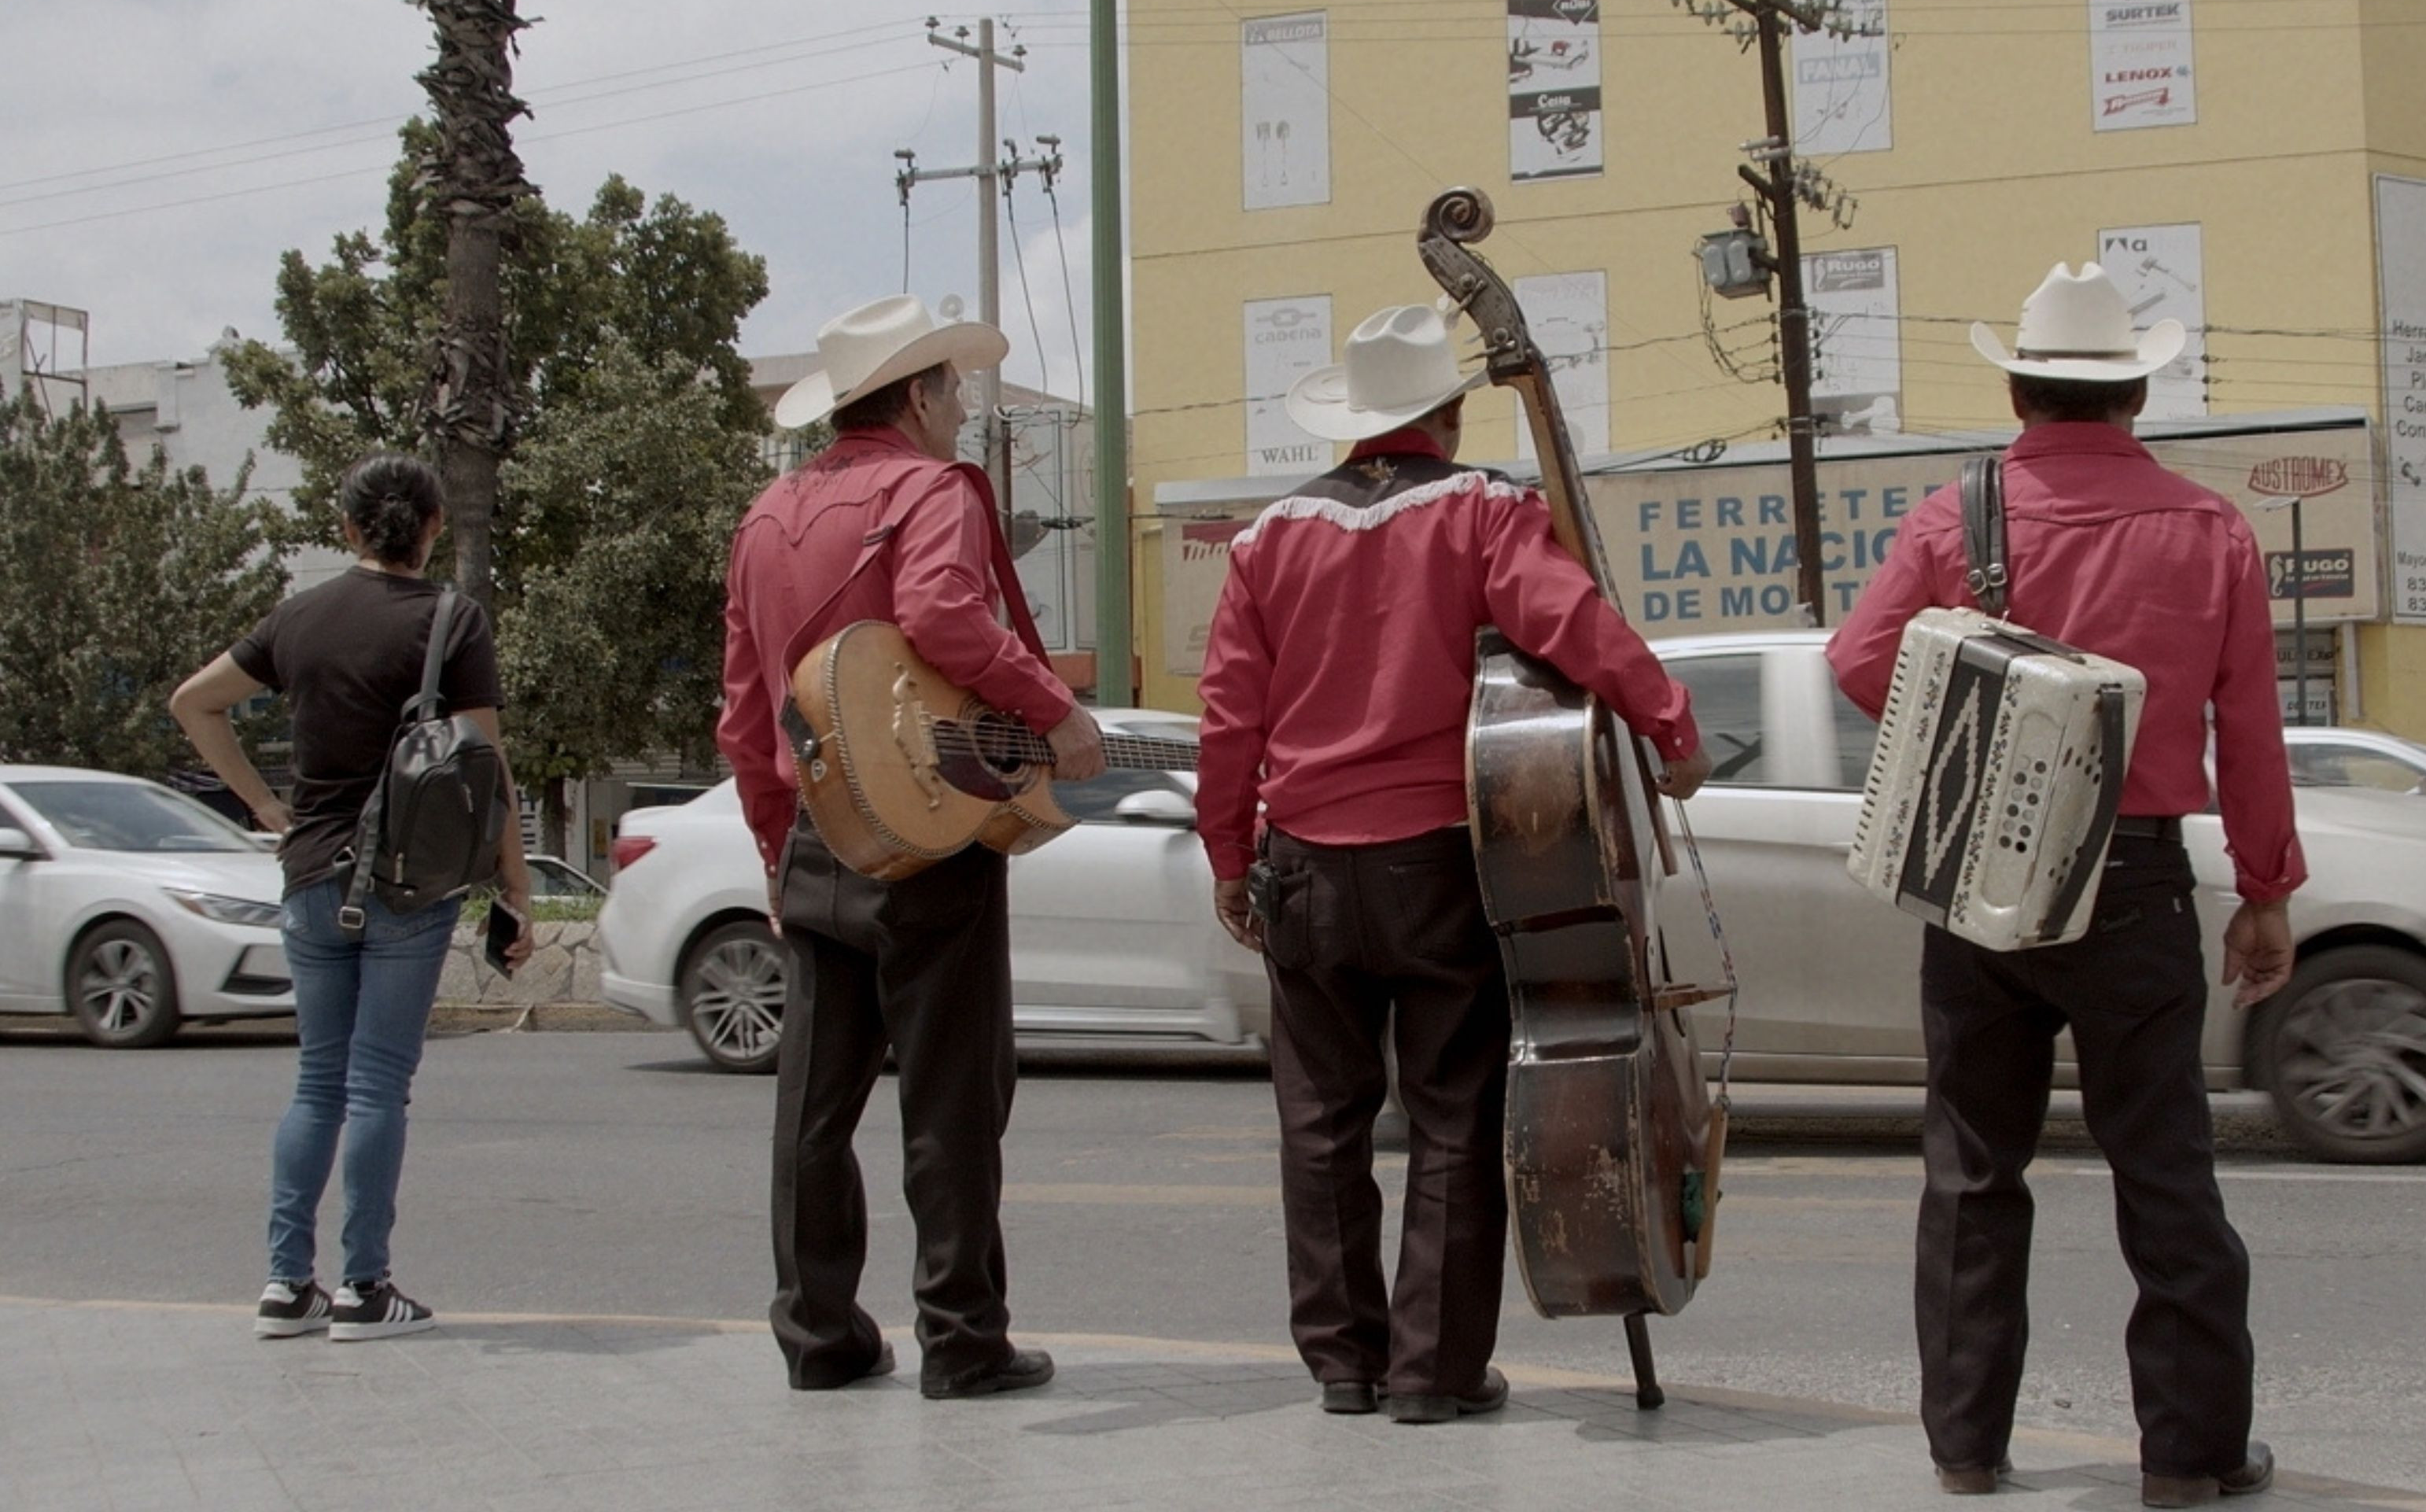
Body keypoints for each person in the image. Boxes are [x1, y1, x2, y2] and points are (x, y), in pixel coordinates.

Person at [1827, 264, 2302, 1505]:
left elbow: (1861, 663)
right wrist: (2266, 891)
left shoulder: (1955, 518)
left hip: (1983, 876)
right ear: (2136, 392)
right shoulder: (2211, 533)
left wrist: (1974, 732)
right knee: (2165, 1170)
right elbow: (2248, 731)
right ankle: (2190, 1460)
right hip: (2137, 885)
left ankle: (1968, 1448)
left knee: (1974, 1167)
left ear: (2016, 387)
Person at [1193, 302, 1711, 1425]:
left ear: (1353, 424)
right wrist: (1670, 726)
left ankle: (1344, 1362)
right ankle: (1432, 1371)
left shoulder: (1267, 537)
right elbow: (1575, 625)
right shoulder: (1481, 511)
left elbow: (1229, 716)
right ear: (1449, 408)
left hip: (1305, 864)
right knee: (1451, 1115)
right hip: (1438, 863)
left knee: (1321, 1122)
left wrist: (1230, 854)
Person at [716, 295, 1102, 1398]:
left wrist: (772, 846)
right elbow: (939, 612)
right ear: (922, 394)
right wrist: (1054, 710)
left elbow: (748, 715)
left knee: (813, 1105)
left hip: (814, 829)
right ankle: (962, 1339)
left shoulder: (766, 516)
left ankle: (820, 1337)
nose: (967, 409)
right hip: (931, 835)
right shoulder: (931, 491)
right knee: (951, 1097)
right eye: (958, 389)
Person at [170, 452, 535, 1344]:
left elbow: (195, 702)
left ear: (347, 530)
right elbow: (485, 770)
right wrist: (516, 889)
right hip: (407, 884)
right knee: (379, 1087)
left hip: (307, 877)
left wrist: (261, 802)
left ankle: (286, 1285)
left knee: (317, 1083)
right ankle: (366, 1290)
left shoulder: (299, 617)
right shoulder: (454, 619)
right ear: (434, 527)